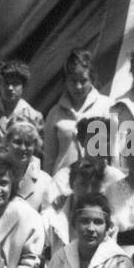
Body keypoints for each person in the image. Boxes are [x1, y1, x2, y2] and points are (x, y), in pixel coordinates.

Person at [42, 48, 112, 177]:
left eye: (83, 81)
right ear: (66, 81)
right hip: (62, 185)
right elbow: (49, 159)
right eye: (73, 81)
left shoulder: (106, 106)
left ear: (91, 78)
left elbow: (114, 151)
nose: (78, 86)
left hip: (96, 183)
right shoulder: (55, 113)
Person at [43, 156, 108, 261]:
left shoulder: (108, 221)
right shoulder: (50, 218)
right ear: (72, 183)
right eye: (83, 184)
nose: (89, 190)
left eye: (94, 185)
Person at [50, 116, 125, 197]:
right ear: (82, 141)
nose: (99, 145)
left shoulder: (118, 179)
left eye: (105, 140)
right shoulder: (63, 179)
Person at [5, 118, 58, 212]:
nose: (22, 148)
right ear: (7, 142)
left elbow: (49, 218)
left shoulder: (45, 181)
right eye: (17, 142)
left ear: (35, 146)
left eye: (28, 143)